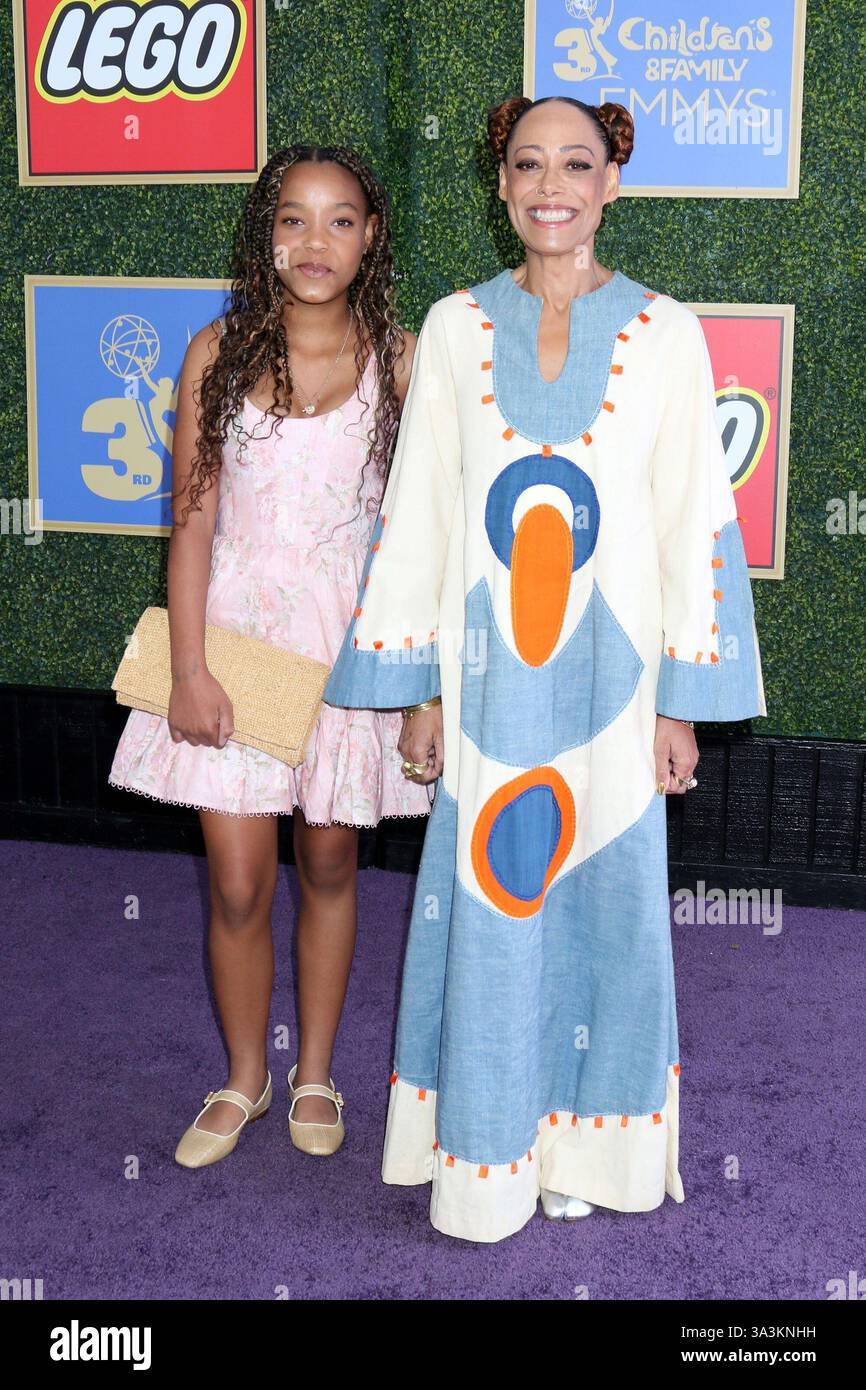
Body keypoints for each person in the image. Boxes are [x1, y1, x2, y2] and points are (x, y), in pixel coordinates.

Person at [322, 96, 766, 1242]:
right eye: (528, 164)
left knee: (607, 910)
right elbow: (416, 516)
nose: (551, 184)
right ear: (501, 184)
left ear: (611, 181)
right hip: (484, 699)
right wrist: (419, 690)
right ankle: (486, 1146)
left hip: (612, 699)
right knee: (495, 905)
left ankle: (588, 1148)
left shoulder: (666, 332)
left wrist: (682, 701)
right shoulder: (454, 327)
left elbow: (690, 524)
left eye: (577, 162)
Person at [108, 145, 432, 1168]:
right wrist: (192, 670)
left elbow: (422, 535)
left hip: (347, 649)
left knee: (329, 860)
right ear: (265, 233)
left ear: (370, 237)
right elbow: (192, 523)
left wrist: (418, 684)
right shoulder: (216, 350)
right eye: (292, 218)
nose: (314, 242)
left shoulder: (406, 357)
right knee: (239, 880)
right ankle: (244, 1077)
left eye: (340, 220)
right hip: (235, 647)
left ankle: (316, 1072)